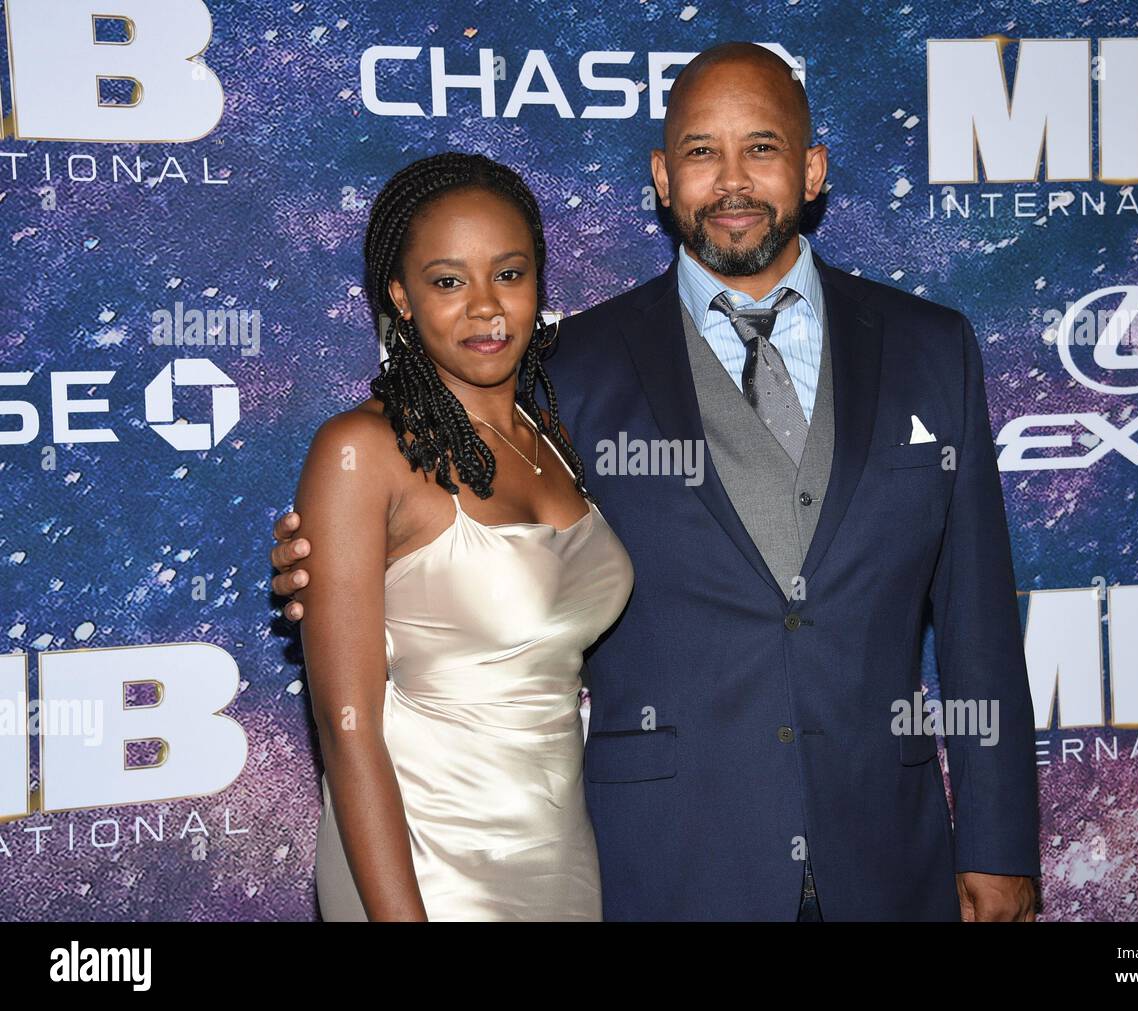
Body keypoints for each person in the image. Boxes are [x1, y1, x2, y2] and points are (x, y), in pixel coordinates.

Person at [274, 42, 1041, 921]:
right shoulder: (562, 370)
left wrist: (998, 839)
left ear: (813, 169)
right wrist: (327, 560)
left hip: (889, 853)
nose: (732, 181)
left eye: (762, 147)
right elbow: (428, 489)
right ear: (663, 178)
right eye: (700, 152)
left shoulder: (932, 348)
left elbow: (979, 615)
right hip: (664, 862)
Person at [293, 152, 633, 921]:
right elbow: (346, 733)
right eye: (449, 281)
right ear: (399, 295)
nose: (485, 307)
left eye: (508, 274)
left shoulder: (549, 436)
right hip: (425, 868)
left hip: (558, 854)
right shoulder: (360, 452)